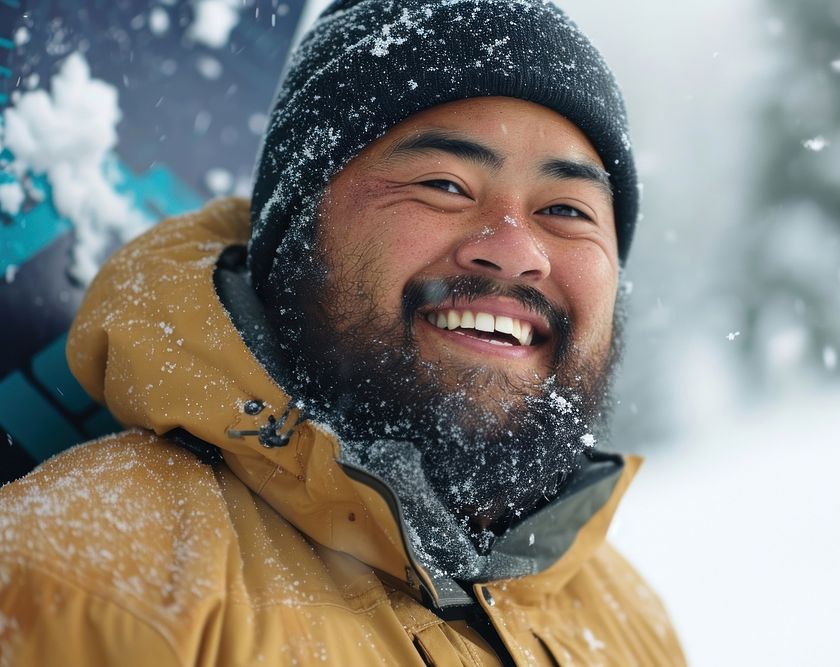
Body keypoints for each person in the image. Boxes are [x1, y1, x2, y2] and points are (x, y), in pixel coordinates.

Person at [0, 0, 687, 664]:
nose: (515, 248)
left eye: (566, 208)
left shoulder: (626, 618)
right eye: (445, 184)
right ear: (292, 235)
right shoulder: (87, 579)